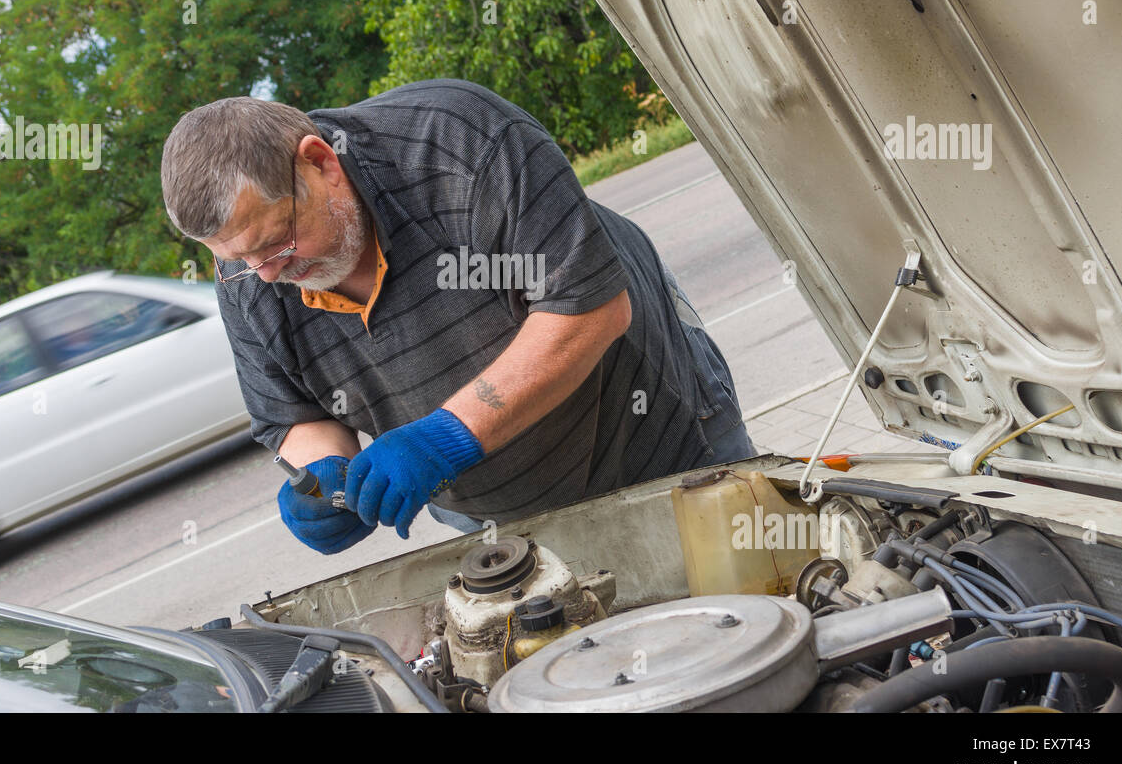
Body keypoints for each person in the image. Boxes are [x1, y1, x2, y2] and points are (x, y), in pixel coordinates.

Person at [159, 79, 755, 553]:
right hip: (493, 517)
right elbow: (296, 414)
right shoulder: (251, 269)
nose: (266, 275)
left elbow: (588, 310)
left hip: (657, 427)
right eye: (238, 262)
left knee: (748, 606)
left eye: (277, 244)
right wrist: (323, 479)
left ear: (319, 162)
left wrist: (441, 440)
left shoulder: (461, 142)